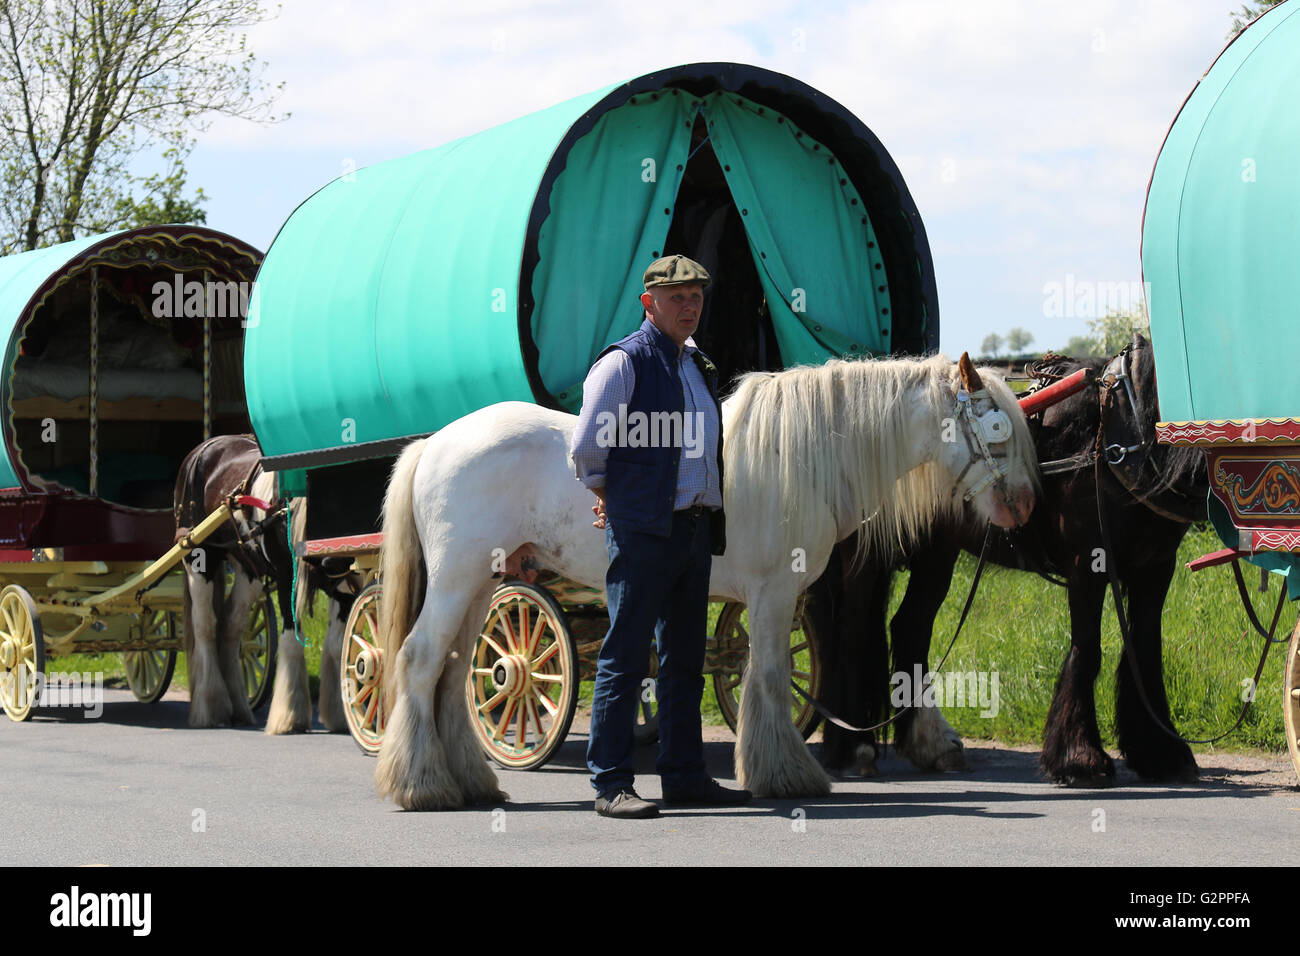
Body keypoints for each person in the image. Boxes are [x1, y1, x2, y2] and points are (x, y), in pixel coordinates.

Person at [569, 254, 751, 819]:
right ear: (649, 303)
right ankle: (610, 785)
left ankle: (684, 775)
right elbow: (586, 451)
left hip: (694, 530)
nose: (689, 306)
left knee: (683, 662)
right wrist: (615, 497)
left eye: (696, 296)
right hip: (645, 531)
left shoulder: (699, 365)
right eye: (677, 297)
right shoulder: (624, 364)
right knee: (625, 657)